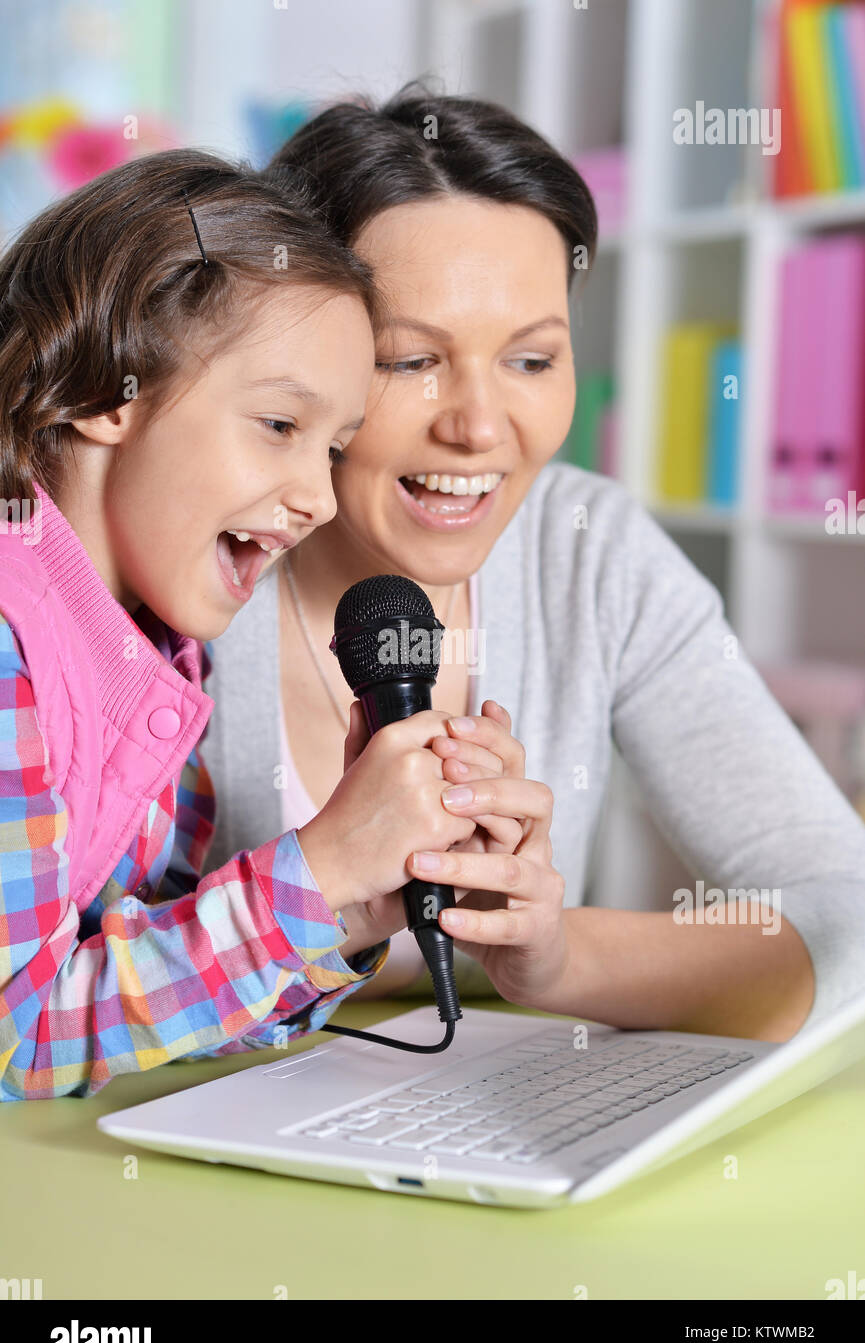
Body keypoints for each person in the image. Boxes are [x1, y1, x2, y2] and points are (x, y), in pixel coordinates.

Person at [201, 85, 865, 1042]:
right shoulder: (194, 560)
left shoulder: (587, 555)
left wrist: (553, 956)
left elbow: (844, 906)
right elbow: (64, 971)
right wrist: (340, 912)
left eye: (529, 361)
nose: (477, 428)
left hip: (475, 1119)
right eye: (407, 360)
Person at [0, 147, 529, 1101]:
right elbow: (17, 1036)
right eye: (280, 427)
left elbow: (136, 994)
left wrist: (358, 900)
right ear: (99, 388)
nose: (319, 501)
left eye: (333, 450)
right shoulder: (11, 640)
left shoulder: (158, 656)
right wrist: (313, 875)